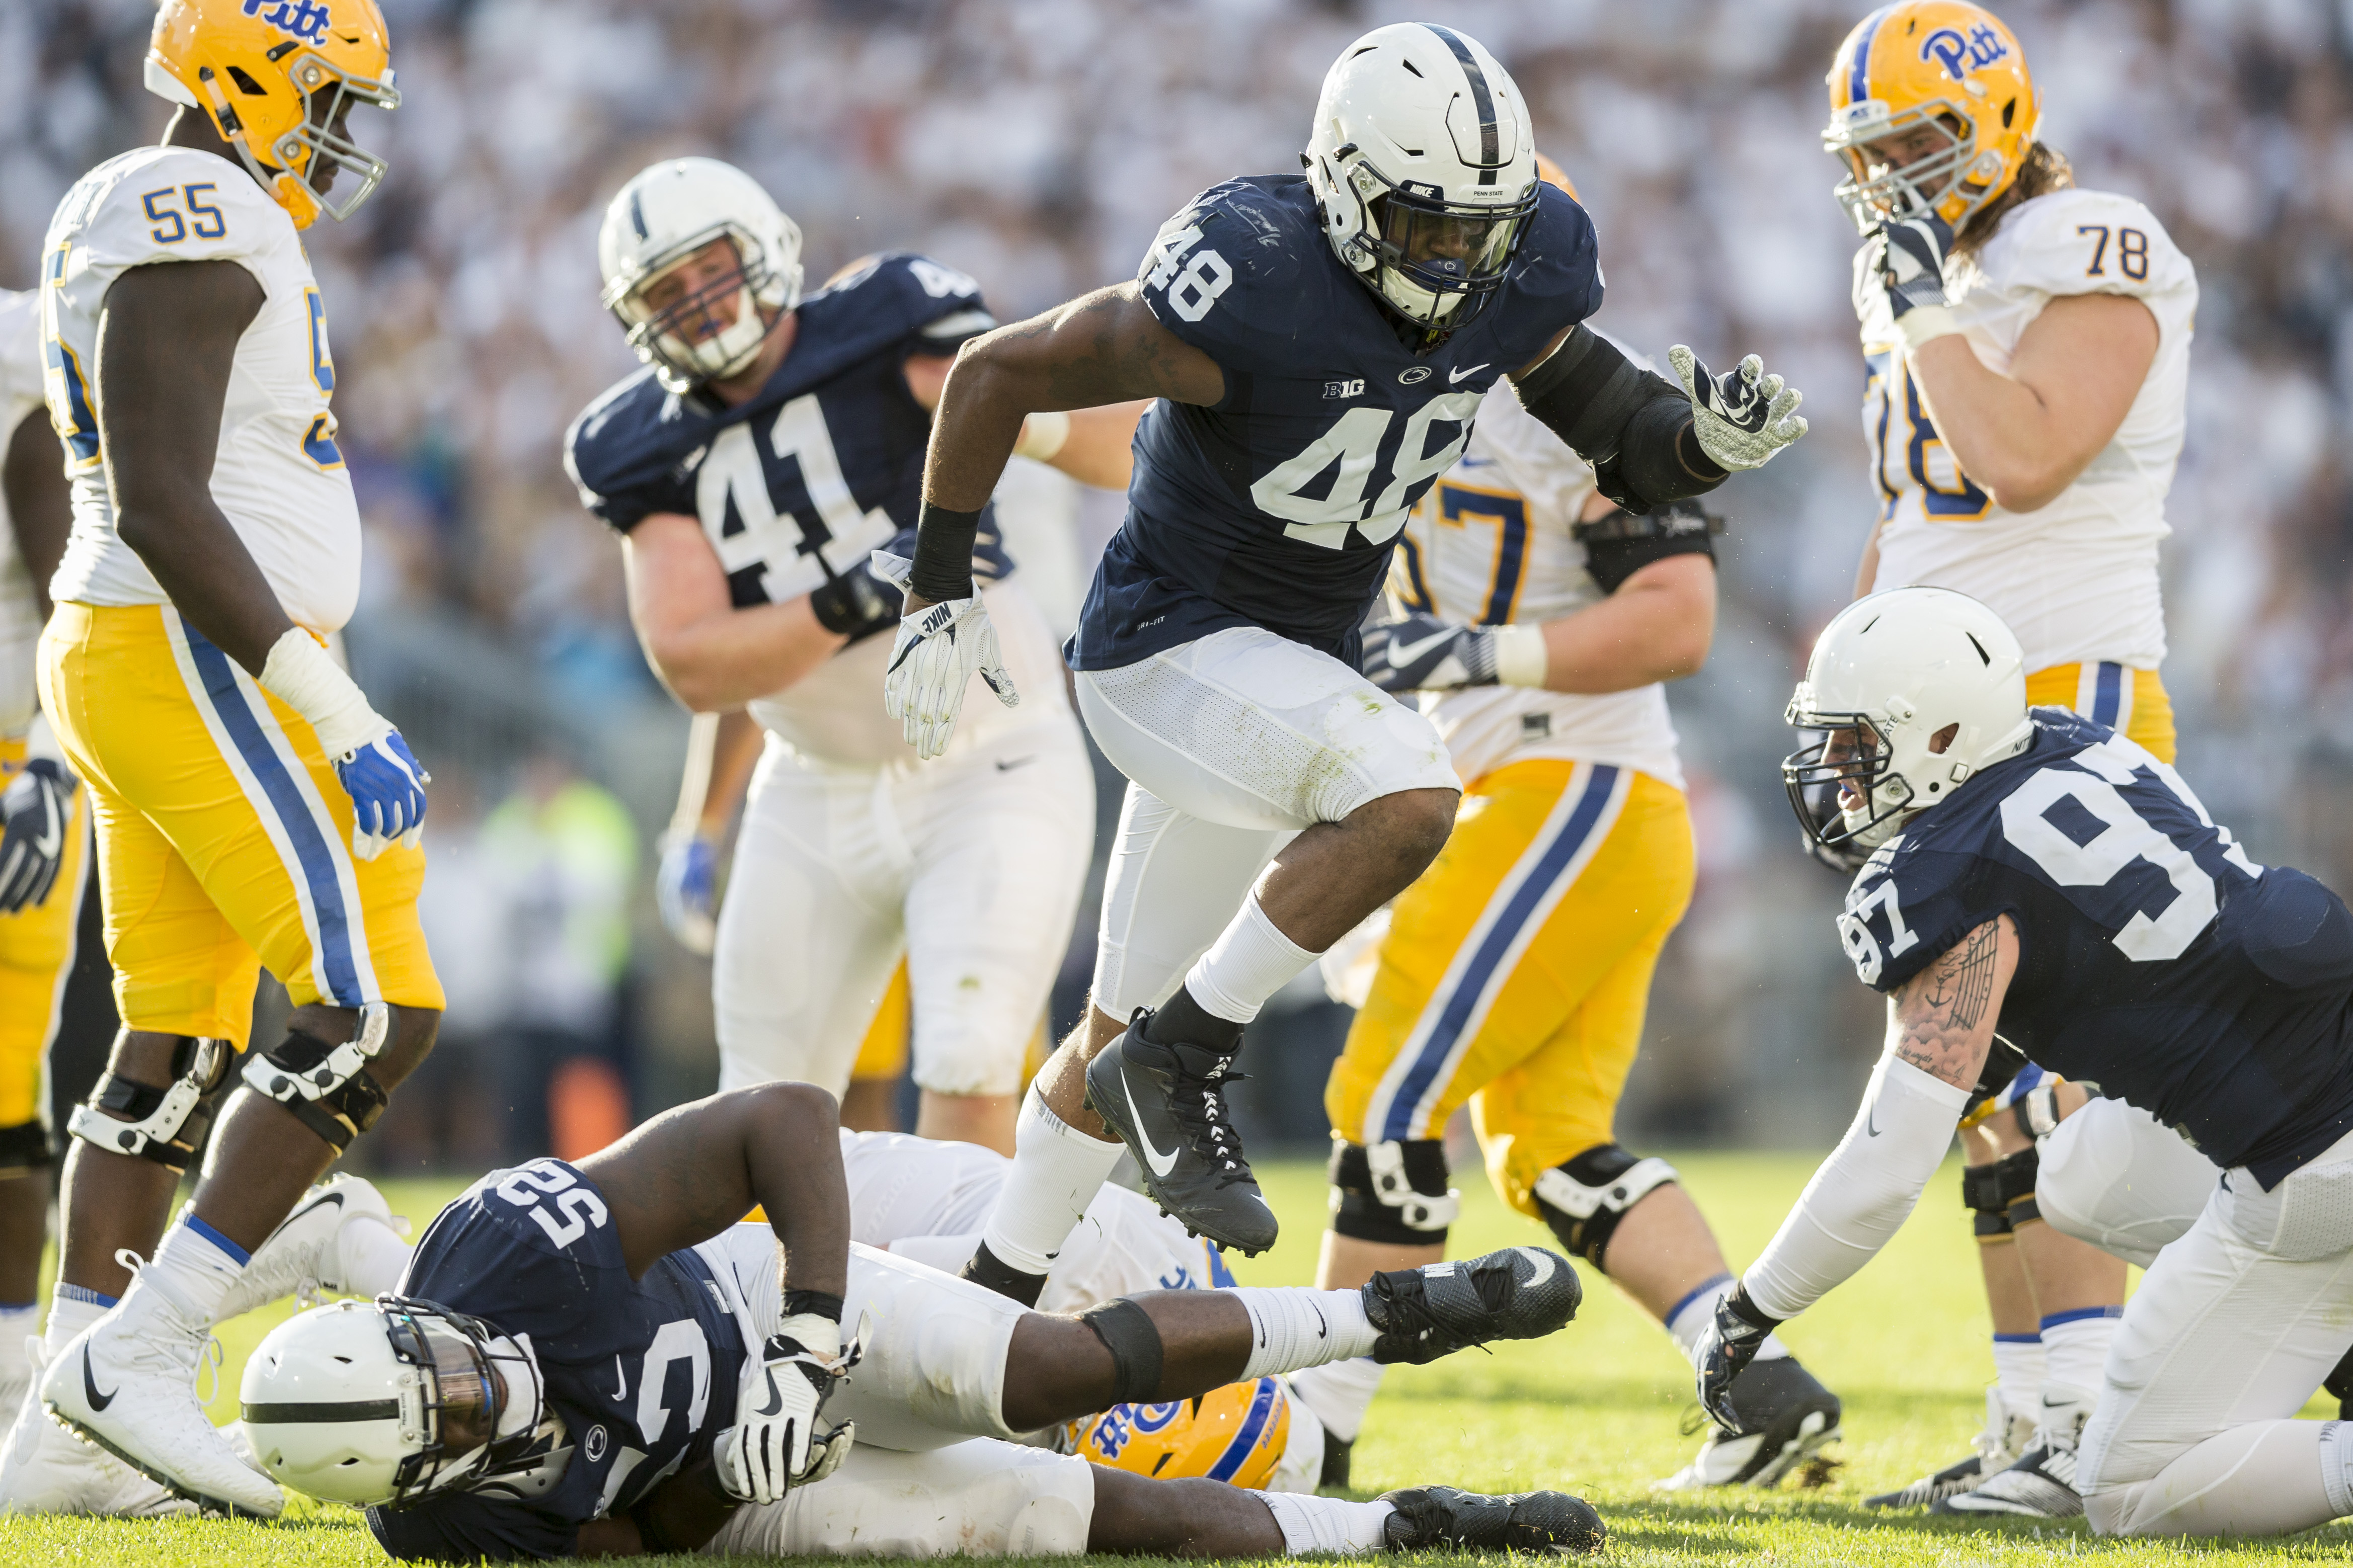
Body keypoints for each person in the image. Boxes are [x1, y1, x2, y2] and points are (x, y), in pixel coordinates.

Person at [883, 21, 1807, 1307]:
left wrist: (1698, 444)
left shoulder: (1519, 259)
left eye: (1483, 229)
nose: (1459, 257)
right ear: (1342, 186)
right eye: (1427, 226)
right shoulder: (1251, 274)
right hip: (1167, 653)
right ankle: (1188, 1056)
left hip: (1273, 683)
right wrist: (937, 586)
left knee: (1108, 1030)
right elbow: (995, 372)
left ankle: (981, 1303)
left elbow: (1616, 432)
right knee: (1409, 789)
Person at [1293, 151, 1840, 1485]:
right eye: (1414, 225)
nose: (1432, 256)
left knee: (1383, 1096)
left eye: (1460, 232)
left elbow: (1679, 616)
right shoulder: (1369, 382)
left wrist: (1479, 656)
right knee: (1544, 1148)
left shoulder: (1573, 400)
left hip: (1568, 788)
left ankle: (1311, 1432)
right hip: (1546, 803)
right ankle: (1754, 1379)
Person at [0, 0, 441, 1520]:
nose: (344, 133)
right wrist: (326, 697)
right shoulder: (194, 207)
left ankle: (64, 1420)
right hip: (183, 644)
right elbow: (163, 500)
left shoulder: (190, 206)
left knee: (178, 1037)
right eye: (327, 94)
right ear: (248, 74)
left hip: (154, 649)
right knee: (360, 1006)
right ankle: (142, 1354)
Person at [241, 1083, 1601, 1561]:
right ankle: (1410, 1524)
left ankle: (1393, 1311)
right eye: (466, 1422)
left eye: (451, 1366)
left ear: (418, 1322)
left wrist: (809, 1335)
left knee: (1038, 1371)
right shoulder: (451, 1527)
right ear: (424, 1478)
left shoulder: (505, 1254)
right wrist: (727, 1474)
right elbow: (635, 1534)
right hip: (733, 1479)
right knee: (1054, 1510)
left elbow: (777, 1116)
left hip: (757, 1305)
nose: (487, 1387)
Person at [1698, 586, 2353, 1540]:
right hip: (2320, 1073)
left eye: (1858, 746)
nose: (1838, 776)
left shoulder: (1946, 875)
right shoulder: (2075, 743)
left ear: (1942, 734)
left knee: (2128, 1491)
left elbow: (1886, 1166)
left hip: (2310, 1158)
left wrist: (1749, 1307)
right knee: (2080, 1173)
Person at [1811, 0, 2201, 1515]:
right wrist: (1843, 673)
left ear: (1992, 118)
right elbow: (1915, 515)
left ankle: (2095, 1420)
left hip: (2058, 688)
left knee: (2055, 1080)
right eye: (1870, 152)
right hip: (1932, 710)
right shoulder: (1945, 275)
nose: (1891, 175)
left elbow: (2023, 451)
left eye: (1913, 139)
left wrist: (1919, 313)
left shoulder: (2089, 238)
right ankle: (2029, 1415)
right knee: (1977, 1085)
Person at [565, 161, 1140, 1157]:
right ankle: (823, 1307)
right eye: (666, 291)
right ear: (633, 316)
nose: (698, 304)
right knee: (759, 1109)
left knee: (968, 1064)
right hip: (814, 783)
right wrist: (854, 593)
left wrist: (1006, 409)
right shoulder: (639, 445)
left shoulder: (886, 319)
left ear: (768, 250)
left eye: (710, 269)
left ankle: (981, 1310)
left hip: (988, 755)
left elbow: (1124, 450)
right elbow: (701, 664)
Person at [0, 285, 82, 1418]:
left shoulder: (17, 358)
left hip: (14, 764)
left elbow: (79, 591)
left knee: (8, 1078)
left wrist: (53, 761)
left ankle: (18, 1352)